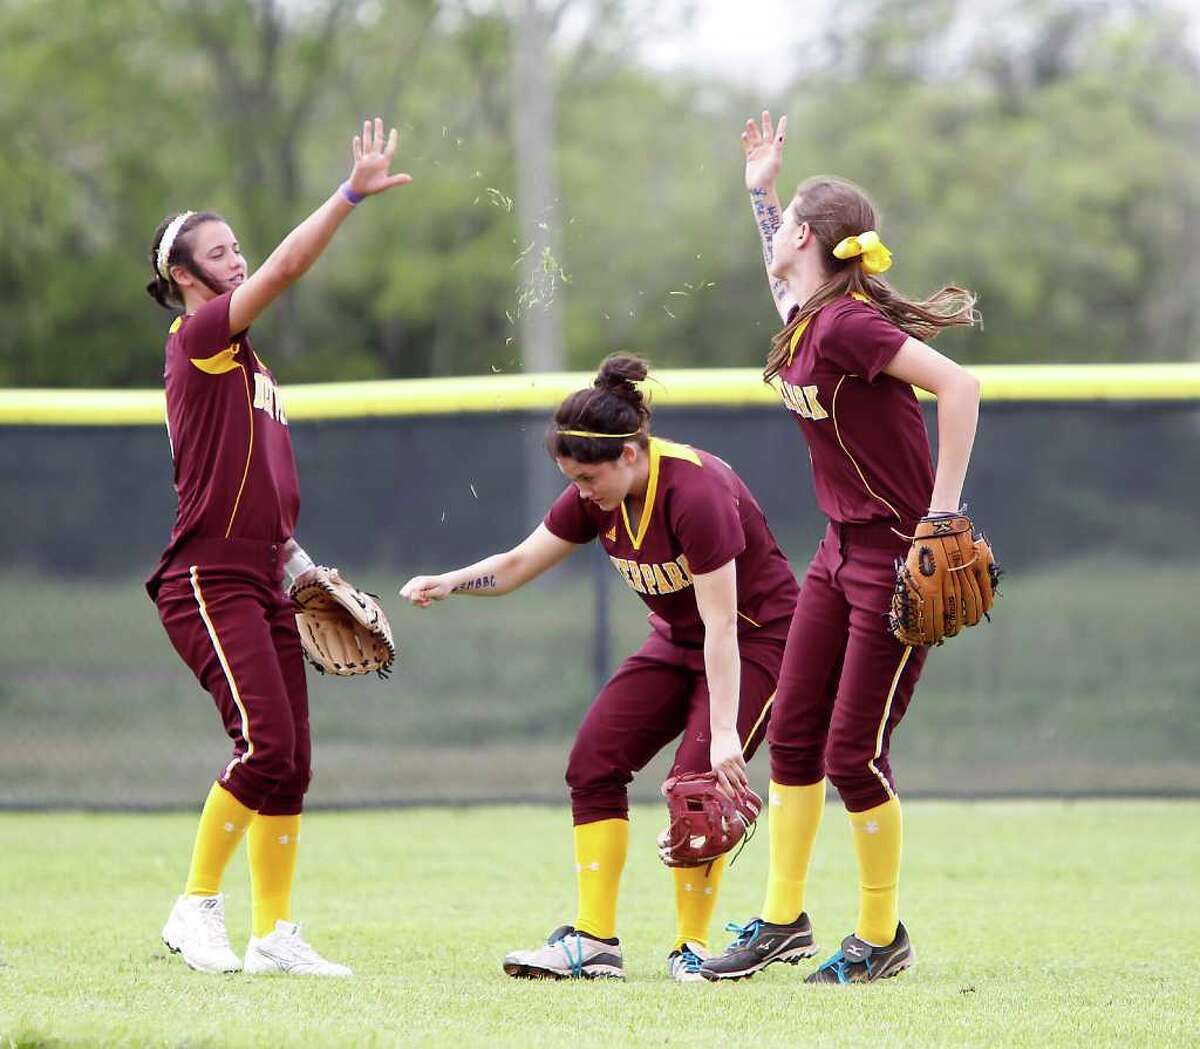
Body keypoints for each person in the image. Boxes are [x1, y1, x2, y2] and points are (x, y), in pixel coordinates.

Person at [399, 353, 799, 982]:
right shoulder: (598, 496)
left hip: (756, 642)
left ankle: (694, 950)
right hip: (676, 641)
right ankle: (595, 942)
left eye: (588, 477)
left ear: (630, 456)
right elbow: (515, 566)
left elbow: (723, 624)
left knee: (695, 786)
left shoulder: (696, 492)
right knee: (592, 763)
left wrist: (725, 736)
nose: (582, 491)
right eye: (573, 479)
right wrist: (448, 582)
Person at [700, 113, 983, 985]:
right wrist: (761, 191)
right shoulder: (807, 315)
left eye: (787, 227)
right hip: (837, 551)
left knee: (851, 753)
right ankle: (782, 920)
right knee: (793, 737)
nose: (775, 239)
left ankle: (879, 934)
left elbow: (959, 384)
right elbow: (777, 269)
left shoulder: (850, 327)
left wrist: (940, 521)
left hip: (897, 555)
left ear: (813, 242)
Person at [146, 118, 411, 976]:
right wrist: (348, 196)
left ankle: (274, 935)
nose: (238, 258)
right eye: (218, 253)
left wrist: (297, 565)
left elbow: (262, 490)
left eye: (237, 247)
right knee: (262, 743)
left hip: (261, 572)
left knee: (292, 761)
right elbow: (292, 267)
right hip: (208, 577)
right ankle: (195, 908)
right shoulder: (202, 340)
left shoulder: (249, 365)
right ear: (184, 277)